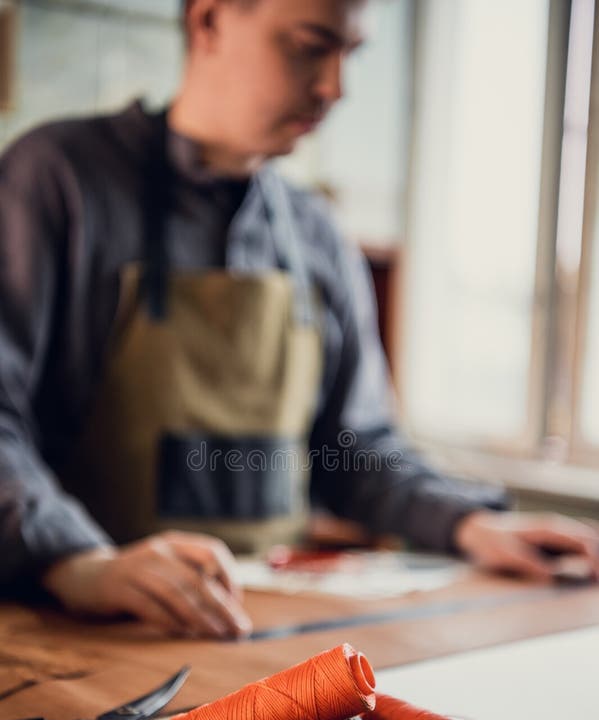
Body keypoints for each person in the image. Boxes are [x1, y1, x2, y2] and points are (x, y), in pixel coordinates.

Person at [0, 0, 597, 640]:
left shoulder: (316, 232)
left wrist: (469, 524)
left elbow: (353, 448)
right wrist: (80, 560)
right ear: (209, 22)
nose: (336, 87)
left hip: (260, 634)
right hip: (81, 632)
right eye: (312, 45)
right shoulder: (55, 179)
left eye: (351, 54)